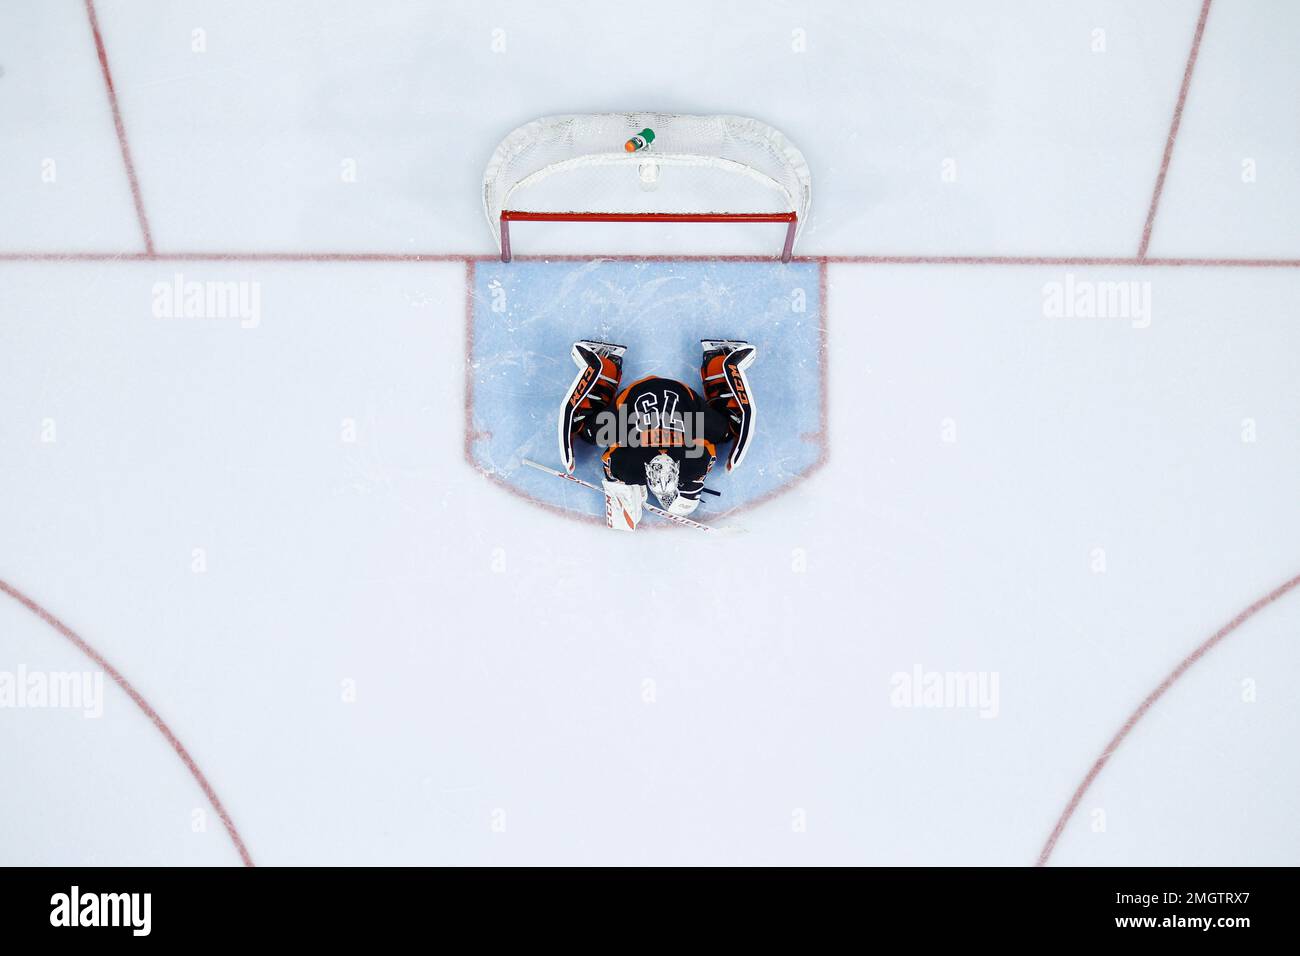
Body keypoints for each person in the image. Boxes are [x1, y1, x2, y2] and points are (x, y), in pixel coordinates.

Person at [558, 339, 757, 529]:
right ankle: (604, 366)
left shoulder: (696, 464)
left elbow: (708, 446)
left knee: (725, 431)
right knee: (591, 432)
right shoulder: (628, 467)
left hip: (670, 400)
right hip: (650, 400)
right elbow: (610, 461)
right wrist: (625, 489)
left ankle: (720, 363)